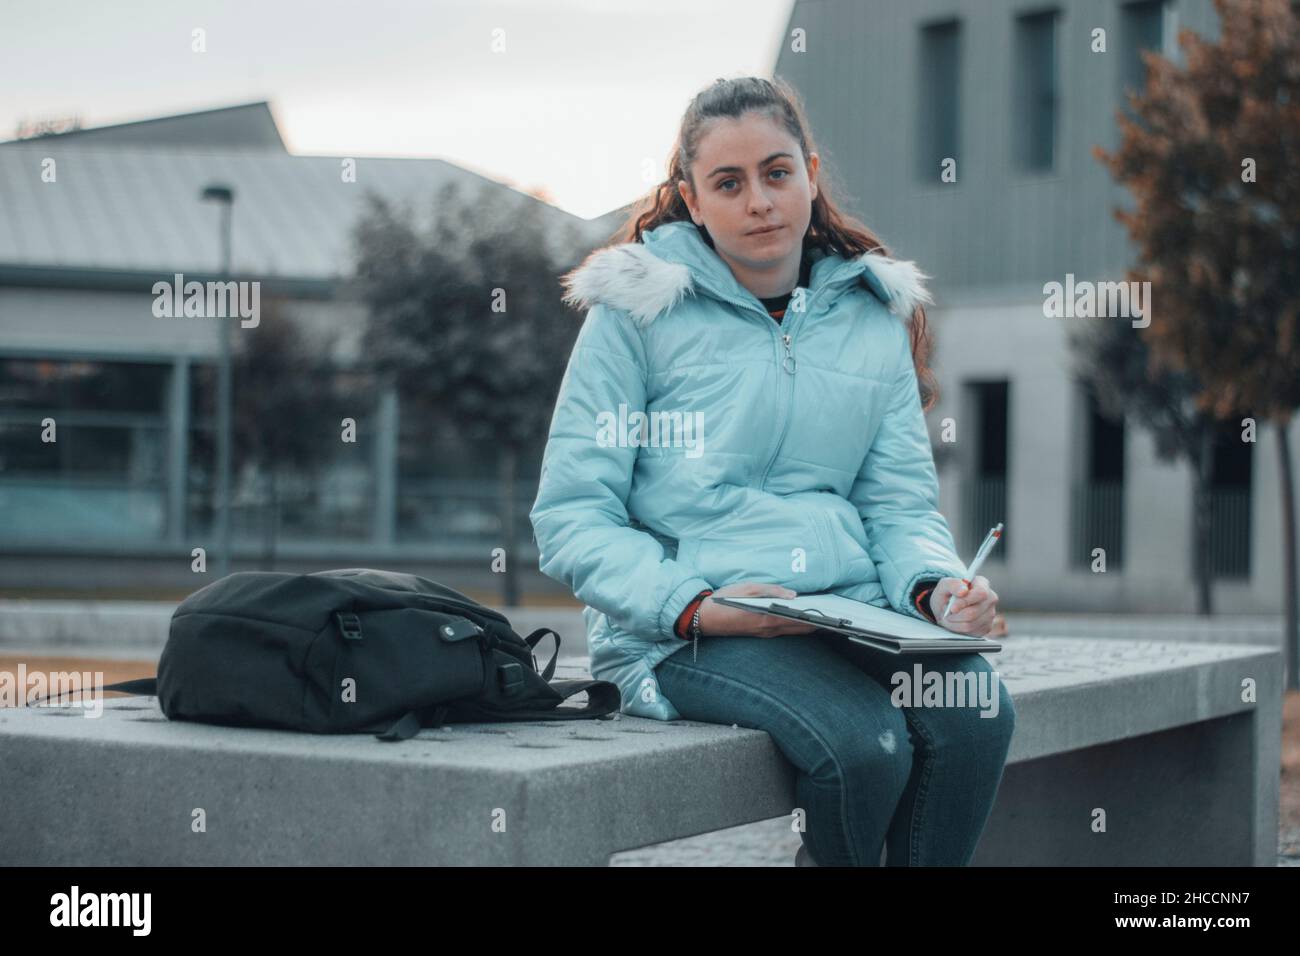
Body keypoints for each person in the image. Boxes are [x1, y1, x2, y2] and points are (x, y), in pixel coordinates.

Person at [530, 76, 1015, 866]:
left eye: (776, 172)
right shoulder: (635, 313)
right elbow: (572, 515)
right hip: (682, 632)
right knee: (867, 746)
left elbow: (896, 502)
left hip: (843, 611)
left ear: (811, 174)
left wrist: (933, 588)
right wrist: (696, 607)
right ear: (692, 198)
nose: (759, 201)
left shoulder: (870, 315)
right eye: (729, 182)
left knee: (975, 714)